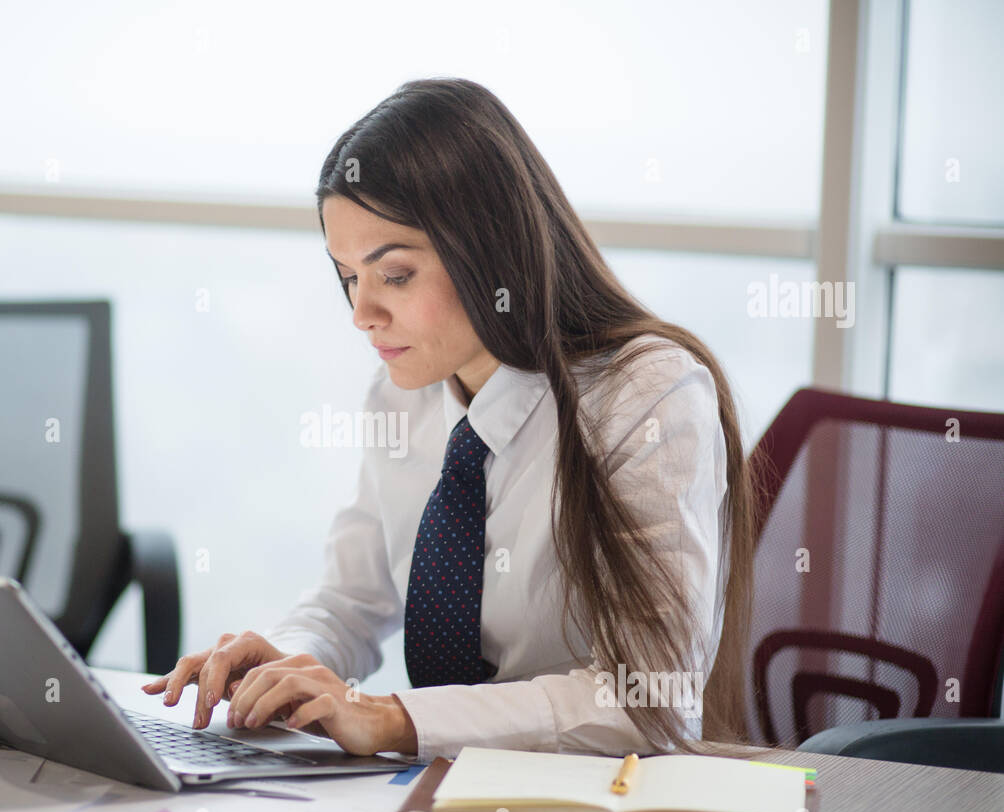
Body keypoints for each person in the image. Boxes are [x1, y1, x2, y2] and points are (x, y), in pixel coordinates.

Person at [143, 77, 758, 763]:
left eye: (395, 275)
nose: (362, 314)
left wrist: (392, 718)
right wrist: (285, 666)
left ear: (490, 250)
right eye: (348, 276)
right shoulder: (402, 393)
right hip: (438, 799)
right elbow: (353, 596)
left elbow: (652, 700)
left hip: (597, 809)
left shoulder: (645, 395)